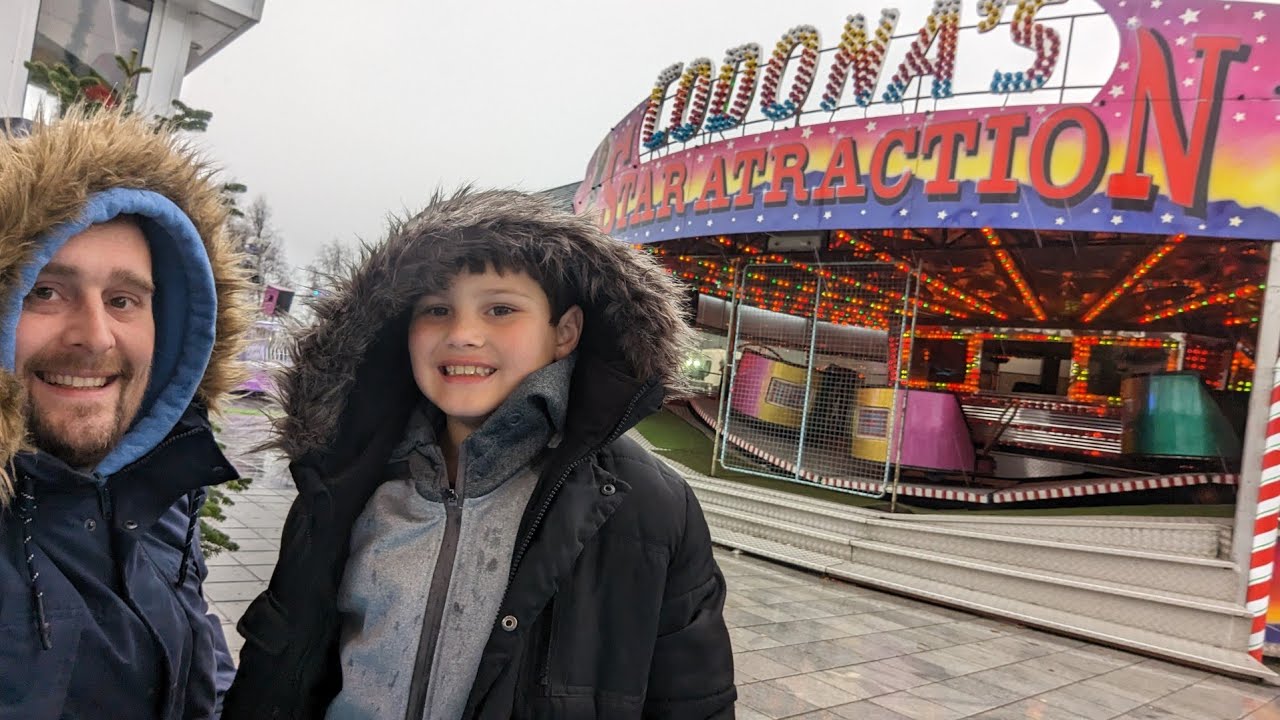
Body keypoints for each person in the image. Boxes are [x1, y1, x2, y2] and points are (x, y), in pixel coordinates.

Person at [225, 188, 736, 719]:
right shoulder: (346, 476)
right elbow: (274, 670)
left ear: (564, 332)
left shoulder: (651, 508)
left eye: (500, 309)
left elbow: (692, 702)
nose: (464, 334)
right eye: (436, 309)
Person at [0, 108, 251, 719]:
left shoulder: (155, 493)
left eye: (123, 300)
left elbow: (201, 661)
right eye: (45, 292)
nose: (95, 336)